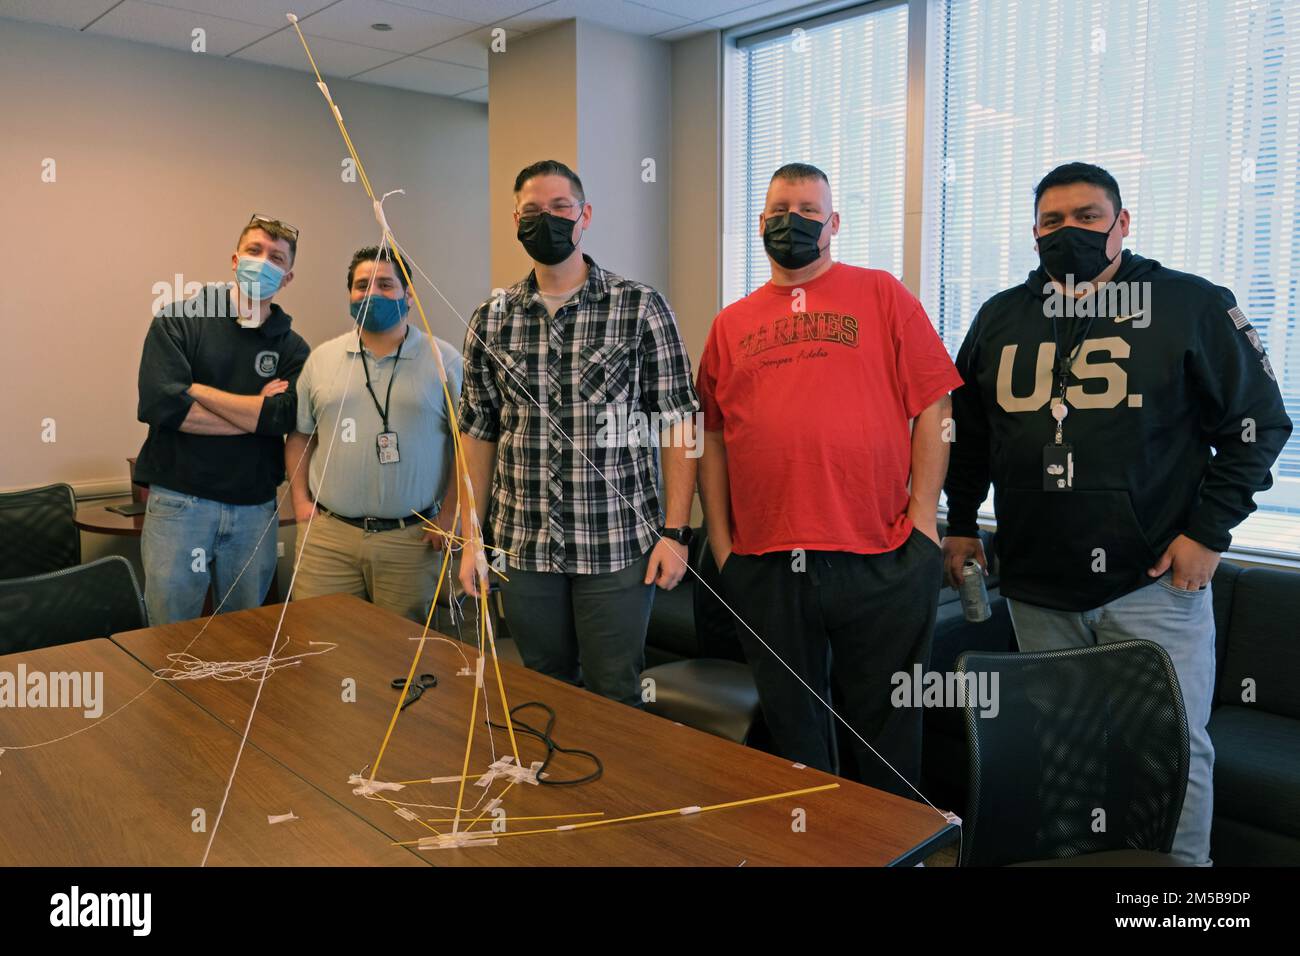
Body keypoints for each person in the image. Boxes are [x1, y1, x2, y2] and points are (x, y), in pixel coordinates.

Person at [942, 161, 1292, 865]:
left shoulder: (1190, 305)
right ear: (1034, 232)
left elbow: (1260, 424)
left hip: (1150, 585)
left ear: (1123, 224)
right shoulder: (1000, 316)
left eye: (1088, 217)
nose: (1068, 232)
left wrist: (1208, 532)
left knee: (1170, 752)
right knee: (1065, 751)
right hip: (1039, 590)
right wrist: (959, 523)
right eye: (1052, 221)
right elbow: (969, 435)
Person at [696, 163, 962, 796]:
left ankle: (899, 854)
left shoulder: (880, 293)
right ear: (761, 224)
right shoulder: (730, 324)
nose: (794, 220)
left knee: (888, 732)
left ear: (834, 223)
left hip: (880, 555)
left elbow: (935, 406)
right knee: (796, 735)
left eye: (810, 209)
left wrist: (924, 518)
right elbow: (707, 434)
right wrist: (723, 542)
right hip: (764, 560)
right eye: (781, 209)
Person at [457, 159, 700, 708]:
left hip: (615, 545)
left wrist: (677, 533)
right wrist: (473, 538)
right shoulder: (491, 318)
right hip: (523, 546)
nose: (547, 220)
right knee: (540, 688)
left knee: (614, 693)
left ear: (584, 215)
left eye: (560, 208)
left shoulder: (639, 307)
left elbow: (680, 422)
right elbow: (477, 432)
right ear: (515, 219)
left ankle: (618, 798)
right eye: (532, 211)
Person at [135, 214, 309, 625]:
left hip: (254, 509)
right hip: (180, 503)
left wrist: (195, 389)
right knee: (169, 638)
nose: (263, 263)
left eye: (276, 258)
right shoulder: (179, 321)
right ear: (234, 260)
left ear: (287, 278)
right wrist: (256, 412)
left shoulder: (293, 346)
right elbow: (162, 405)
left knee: (246, 638)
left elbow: (285, 416)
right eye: (254, 251)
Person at [286, 246, 462, 622]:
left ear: (408, 295)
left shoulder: (443, 361)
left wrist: (450, 517)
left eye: (385, 284)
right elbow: (301, 436)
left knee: (404, 658)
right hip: (329, 539)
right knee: (322, 649)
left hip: (411, 541)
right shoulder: (322, 359)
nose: (372, 293)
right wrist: (300, 501)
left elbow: (468, 448)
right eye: (361, 285)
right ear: (349, 295)